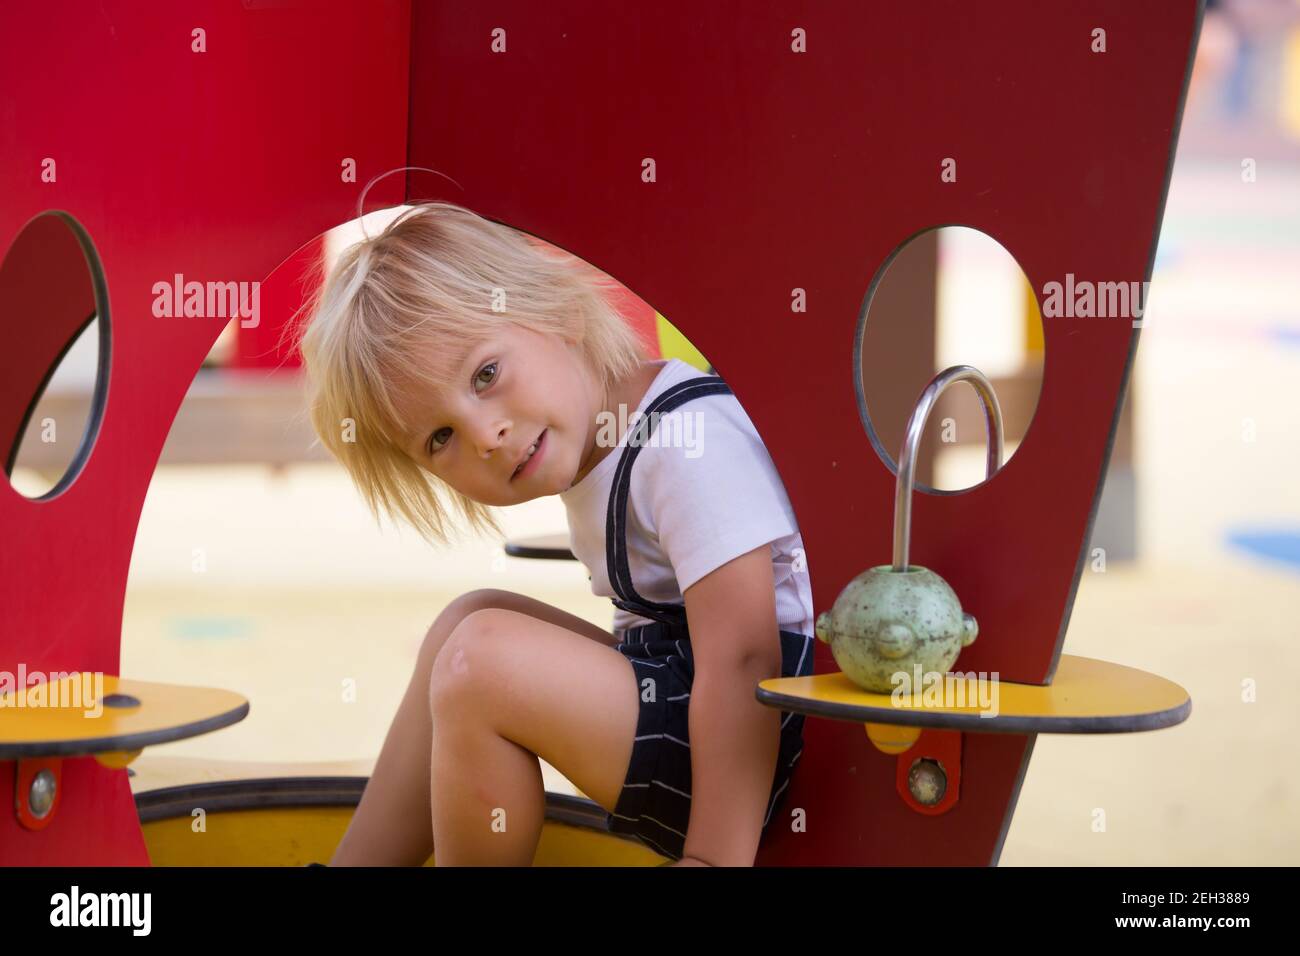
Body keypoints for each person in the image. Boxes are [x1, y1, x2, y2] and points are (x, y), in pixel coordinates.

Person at [290, 200, 814, 866]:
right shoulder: (609, 443)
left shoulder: (684, 444)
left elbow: (745, 658)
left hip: (765, 748)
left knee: (481, 660)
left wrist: (713, 857)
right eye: (440, 437)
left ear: (557, 312)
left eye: (485, 375)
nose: (485, 436)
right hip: (697, 714)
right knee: (468, 620)